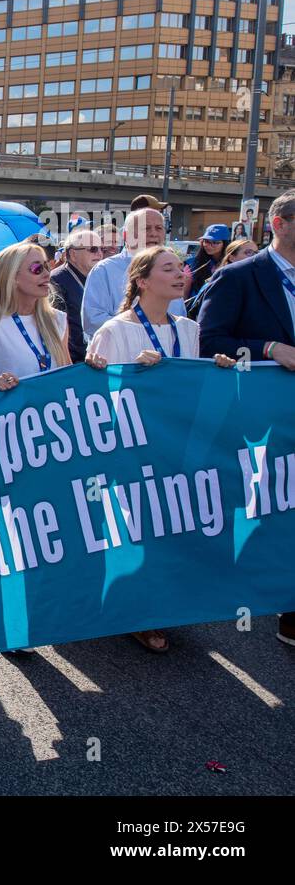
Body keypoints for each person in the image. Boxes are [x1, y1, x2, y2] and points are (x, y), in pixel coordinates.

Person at [87, 245, 235, 652]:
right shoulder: (116, 331)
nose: (181, 273)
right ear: (142, 281)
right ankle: (138, 612)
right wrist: (134, 376)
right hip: (132, 450)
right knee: (137, 529)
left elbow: (192, 389)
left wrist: (217, 371)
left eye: (181, 267)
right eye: (168, 268)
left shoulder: (187, 328)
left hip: (177, 445)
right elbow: (96, 400)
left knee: (171, 525)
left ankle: (164, 604)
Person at [199, 188, 295, 648]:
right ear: (279, 224)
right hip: (262, 414)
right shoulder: (240, 277)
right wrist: (271, 350)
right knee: (270, 503)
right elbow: (211, 341)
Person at [81, 207, 185, 340]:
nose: (153, 233)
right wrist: (144, 331)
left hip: (167, 356)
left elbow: (180, 319)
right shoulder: (104, 270)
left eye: (159, 228)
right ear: (126, 236)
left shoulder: (172, 271)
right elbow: (93, 322)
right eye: (146, 228)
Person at [0, 242, 70, 388]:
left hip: (52, 409)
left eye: (47, 266)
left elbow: (68, 376)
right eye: (37, 269)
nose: (47, 274)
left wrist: (91, 368)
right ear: (12, 277)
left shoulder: (57, 319)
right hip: (10, 410)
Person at [50, 228, 103, 363]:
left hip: (97, 355)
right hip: (73, 360)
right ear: (73, 254)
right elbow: (58, 328)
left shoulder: (99, 277)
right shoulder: (56, 280)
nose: (100, 254)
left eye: (101, 249)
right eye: (92, 249)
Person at [187, 238, 259, 318]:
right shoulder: (219, 283)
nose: (255, 257)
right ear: (231, 258)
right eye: (248, 252)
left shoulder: (257, 281)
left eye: (257, 253)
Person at [188, 224, 232, 302]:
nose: (208, 245)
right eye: (206, 241)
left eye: (215, 242)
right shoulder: (192, 263)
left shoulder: (231, 264)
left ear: (225, 244)